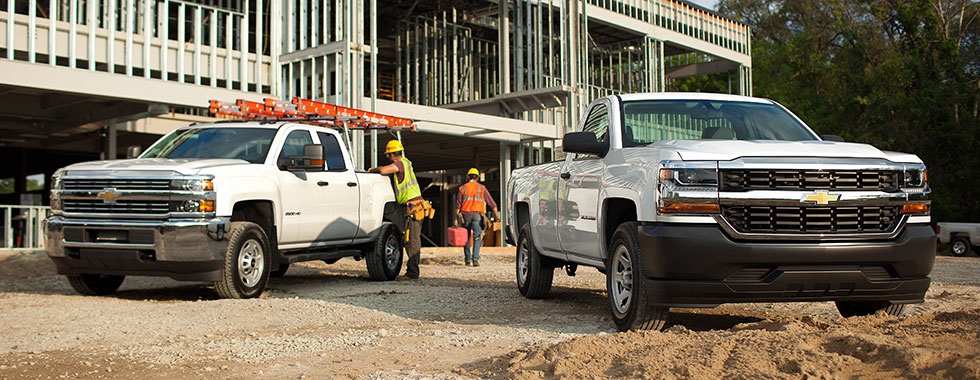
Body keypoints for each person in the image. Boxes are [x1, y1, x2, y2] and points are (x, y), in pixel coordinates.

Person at [368, 140, 426, 280]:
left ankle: (412, 273)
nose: (389, 158)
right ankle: (412, 271)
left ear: (393, 154)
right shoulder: (406, 163)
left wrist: (372, 170)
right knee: (410, 239)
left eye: (389, 155)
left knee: (412, 240)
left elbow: (383, 170)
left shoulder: (401, 163)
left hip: (413, 207)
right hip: (413, 206)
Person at [455, 168, 498, 267]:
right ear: (477, 177)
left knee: (466, 238)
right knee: (477, 237)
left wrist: (456, 219)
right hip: (477, 216)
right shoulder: (482, 188)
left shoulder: (462, 188)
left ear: (468, 177)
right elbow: (492, 203)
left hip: (465, 215)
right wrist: (496, 216)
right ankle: (475, 260)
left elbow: (458, 206)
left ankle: (467, 260)